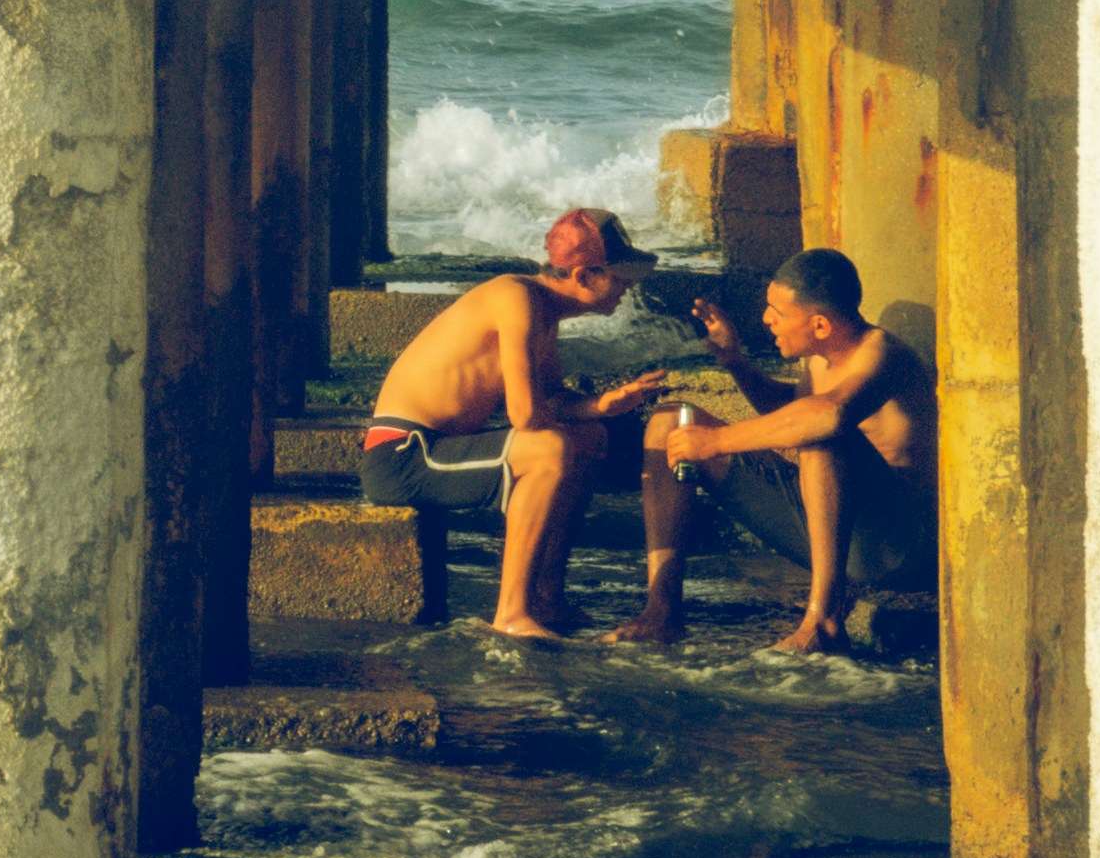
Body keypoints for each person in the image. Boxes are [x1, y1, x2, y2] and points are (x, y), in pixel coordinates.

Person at [355, 205, 688, 640]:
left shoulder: (544, 311)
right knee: (547, 447)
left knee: (589, 436)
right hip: (402, 456)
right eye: (620, 278)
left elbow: (551, 399)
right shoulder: (517, 297)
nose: (627, 290)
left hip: (437, 449)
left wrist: (604, 405)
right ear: (584, 276)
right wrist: (567, 414)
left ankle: (547, 596)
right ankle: (512, 612)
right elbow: (526, 416)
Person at [635, 246, 934, 654]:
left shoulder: (880, 355)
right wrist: (736, 364)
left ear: (821, 325)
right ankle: (661, 613)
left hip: (891, 549)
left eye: (777, 311)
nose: (765, 319)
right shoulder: (819, 358)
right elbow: (789, 414)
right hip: (824, 525)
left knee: (819, 437)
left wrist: (718, 441)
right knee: (670, 420)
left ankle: (823, 622)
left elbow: (827, 417)